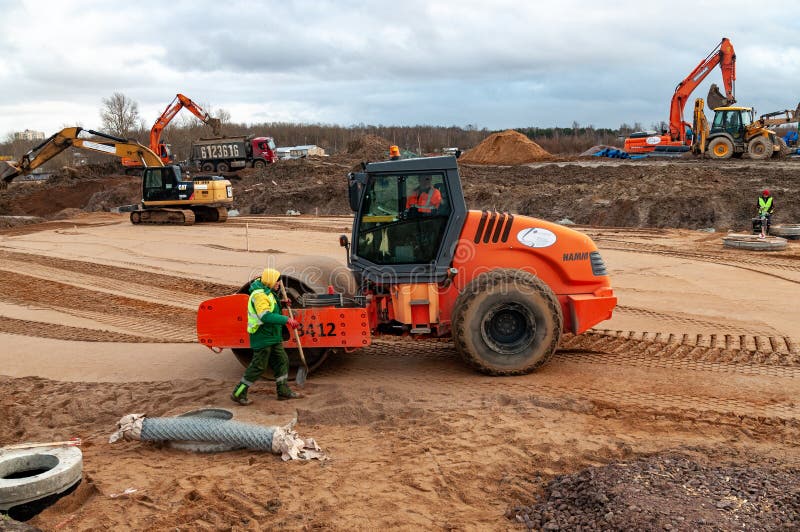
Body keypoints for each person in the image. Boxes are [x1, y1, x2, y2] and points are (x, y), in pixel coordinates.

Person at [231, 267, 302, 405]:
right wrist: (287, 320)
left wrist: (281, 303)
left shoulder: (267, 292)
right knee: (258, 366)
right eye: (276, 282)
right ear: (270, 281)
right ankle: (238, 393)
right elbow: (265, 315)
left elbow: (271, 306)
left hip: (273, 336)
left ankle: (283, 391)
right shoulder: (259, 295)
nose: (278, 284)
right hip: (262, 336)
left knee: (282, 361)